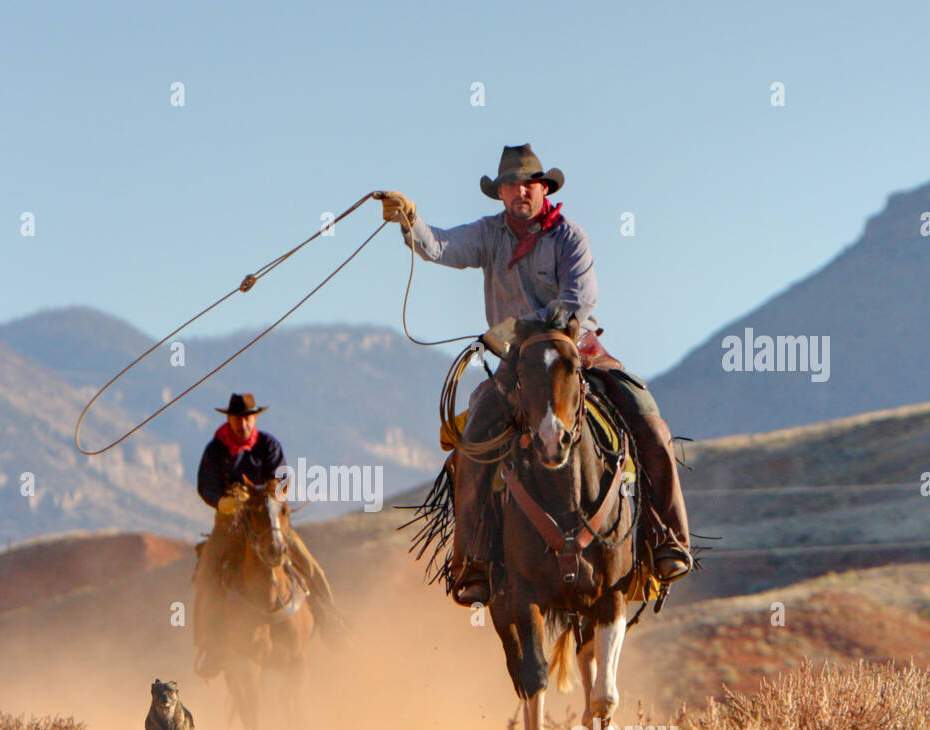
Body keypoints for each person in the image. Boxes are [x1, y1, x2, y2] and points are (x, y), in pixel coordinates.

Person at [379, 144, 693, 606]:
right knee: (471, 448)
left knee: (647, 419)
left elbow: (578, 300)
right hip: (515, 366)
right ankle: (474, 562)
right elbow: (442, 247)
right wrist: (410, 222)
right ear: (501, 193)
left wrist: (526, 325)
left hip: (575, 355)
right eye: (510, 185)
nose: (520, 192)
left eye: (529, 184)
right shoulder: (489, 235)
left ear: (543, 189)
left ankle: (668, 537)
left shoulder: (569, 236)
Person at [193, 393, 341, 675]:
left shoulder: (269, 445)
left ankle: (331, 622)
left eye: (248, 418)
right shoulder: (216, 449)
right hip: (230, 525)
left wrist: (271, 493)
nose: (243, 424)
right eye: (238, 418)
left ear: (255, 418)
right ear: (229, 419)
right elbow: (205, 486)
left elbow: (283, 480)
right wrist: (222, 501)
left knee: (312, 568)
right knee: (205, 574)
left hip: (271, 522)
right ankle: (210, 646)